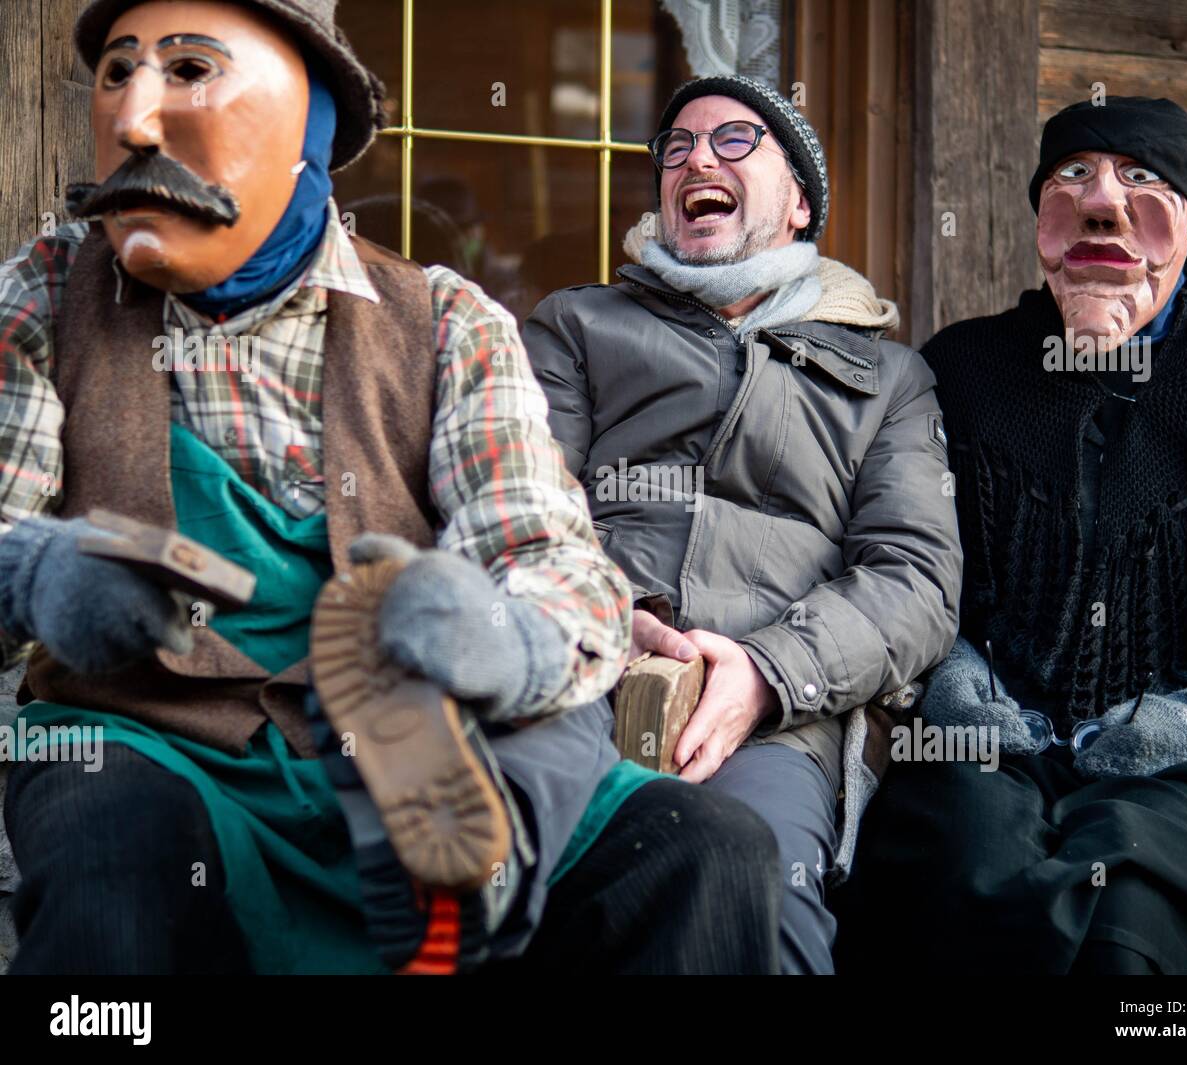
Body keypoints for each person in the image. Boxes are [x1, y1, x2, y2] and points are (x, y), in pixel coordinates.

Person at [0, 0, 783, 975]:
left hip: (406, 756)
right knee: (109, 862)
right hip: (152, 743)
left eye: (189, 68)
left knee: (707, 853)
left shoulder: (447, 323)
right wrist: (35, 576)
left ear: (308, 121)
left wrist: (494, 635)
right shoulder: (43, 296)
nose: (134, 119)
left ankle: (466, 883)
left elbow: (556, 570)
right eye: (116, 73)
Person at [836, 97, 1187, 975]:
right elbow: (916, 569)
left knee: (1128, 927)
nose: (1103, 203)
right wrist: (957, 677)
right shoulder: (965, 367)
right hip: (987, 741)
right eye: (1073, 178)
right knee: (957, 880)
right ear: (1042, 221)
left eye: (1142, 182)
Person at [523, 74, 962, 974]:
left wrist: (768, 673)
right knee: (518, 873)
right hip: (579, 663)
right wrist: (604, 614)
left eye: (734, 142)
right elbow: (530, 506)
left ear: (800, 201)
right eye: (677, 147)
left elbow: (915, 578)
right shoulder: (578, 323)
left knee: (757, 894)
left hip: (775, 709)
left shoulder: (887, 377)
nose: (696, 160)